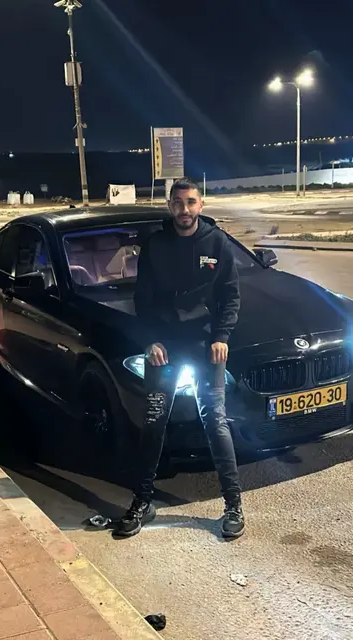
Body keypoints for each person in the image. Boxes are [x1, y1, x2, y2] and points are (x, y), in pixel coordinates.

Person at [114, 178, 244, 539]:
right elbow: (142, 299)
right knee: (153, 422)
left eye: (190, 202)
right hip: (165, 349)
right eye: (177, 203)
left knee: (216, 422)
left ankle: (233, 504)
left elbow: (231, 296)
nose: (184, 210)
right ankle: (142, 501)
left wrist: (221, 337)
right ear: (169, 206)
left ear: (201, 205)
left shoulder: (217, 243)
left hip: (206, 347)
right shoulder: (155, 245)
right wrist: (149, 341)